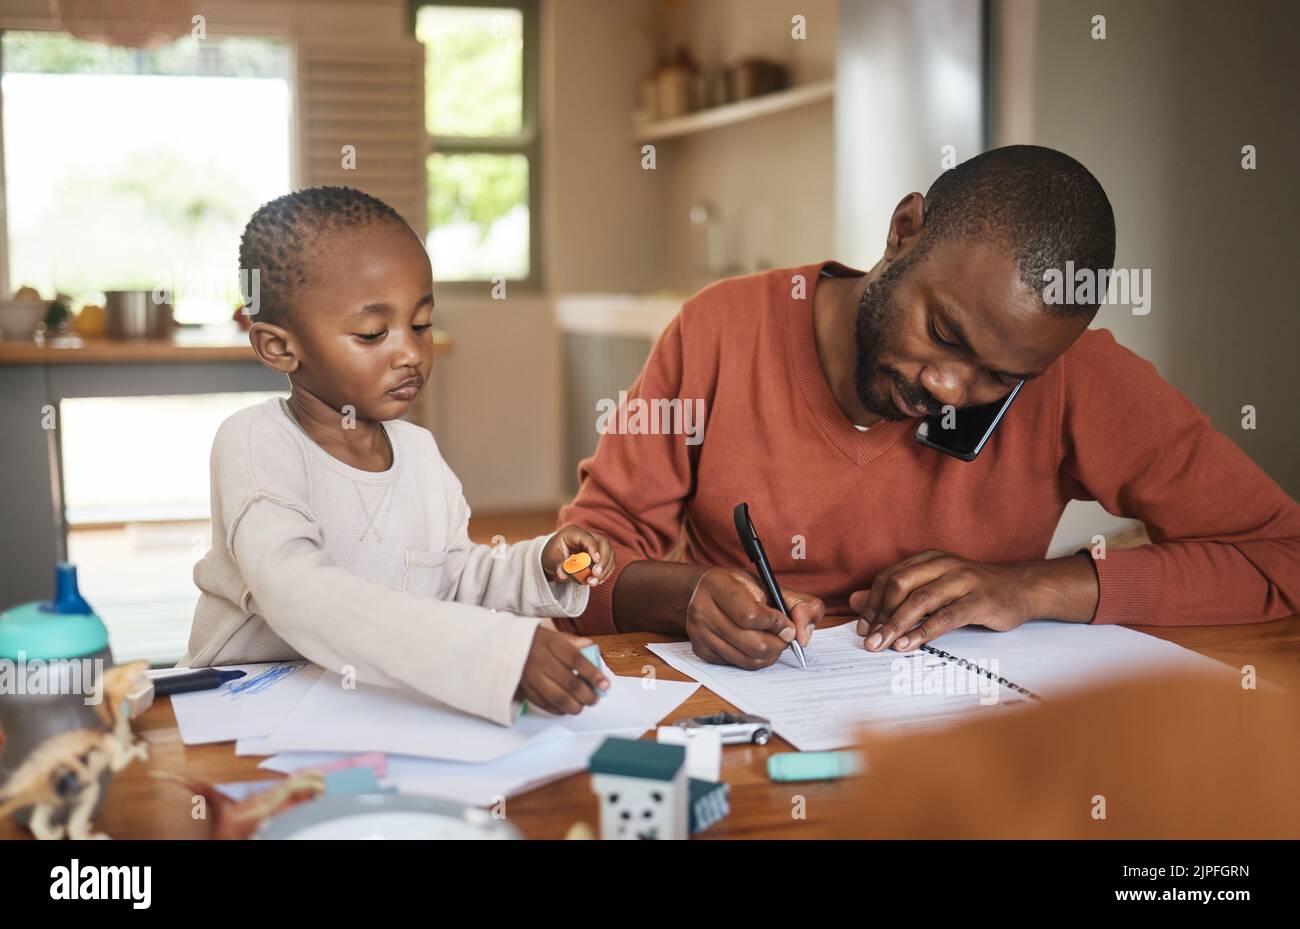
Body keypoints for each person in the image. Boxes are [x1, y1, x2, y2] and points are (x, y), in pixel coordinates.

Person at [558, 145, 1300, 667]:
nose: (949, 389)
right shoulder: (718, 330)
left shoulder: (1074, 375)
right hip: (751, 717)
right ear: (904, 229)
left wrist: (1034, 587)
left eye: (997, 379)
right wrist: (685, 594)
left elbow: (1282, 555)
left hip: (970, 740)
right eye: (943, 332)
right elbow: (576, 564)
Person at [183, 186, 614, 724]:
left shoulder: (419, 451)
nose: (410, 352)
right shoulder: (255, 443)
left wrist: (541, 566)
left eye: (421, 324)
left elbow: (454, 578)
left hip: (371, 707)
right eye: (371, 333)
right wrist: (489, 651)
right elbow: (298, 592)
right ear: (279, 347)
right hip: (246, 711)